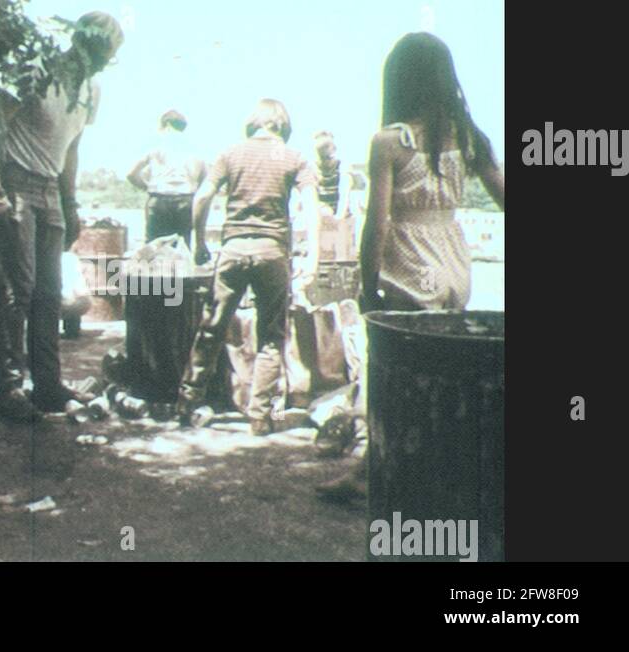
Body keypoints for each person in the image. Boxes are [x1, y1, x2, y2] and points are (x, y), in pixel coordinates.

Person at [316, 32, 505, 502]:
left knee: (391, 377)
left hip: (408, 264)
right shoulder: (468, 138)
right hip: (455, 266)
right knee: (444, 377)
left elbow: (377, 223)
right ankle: (437, 476)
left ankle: (370, 477)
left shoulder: (390, 142)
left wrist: (367, 282)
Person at [0, 12, 125, 422]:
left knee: (49, 295)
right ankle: (9, 388)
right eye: (93, 51)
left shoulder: (90, 93)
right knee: (17, 291)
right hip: (16, 184)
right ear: (80, 43)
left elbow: (72, 148)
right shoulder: (37, 70)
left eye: (103, 56)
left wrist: (71, 202)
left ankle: (47, 385)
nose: (94, 62)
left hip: (50, 191)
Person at [177, 99, 319, 436]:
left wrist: (199, 243)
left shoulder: (230, 154)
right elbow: (312, 209)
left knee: (212, 327)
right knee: (271, 336)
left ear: (253, 123)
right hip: (272, 253)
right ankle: (259, 416)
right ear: (282, 125)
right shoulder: (295, 157)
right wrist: (311, 257)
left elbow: (201, 198)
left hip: (233, 249)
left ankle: (188, 402)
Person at [127, 110, 207, 246]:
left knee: (154, 249)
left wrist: (146, 188)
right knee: (181, 249)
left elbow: (131, 174)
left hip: (159, 201)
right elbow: (204, 177)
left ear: (166, 124)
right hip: (185, 201)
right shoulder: (196, 146)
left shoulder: (155, 143)